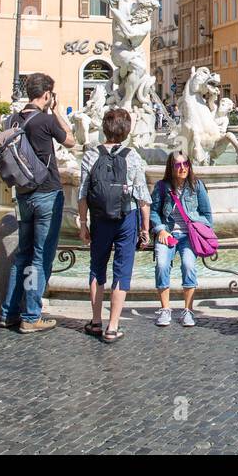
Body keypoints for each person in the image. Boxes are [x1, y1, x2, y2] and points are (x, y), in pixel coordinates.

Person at [0, 72, 77, 333]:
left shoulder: (12, 119)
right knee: (40, 257)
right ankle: (31, 315)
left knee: (23, 253)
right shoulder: (44, 120)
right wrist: (56, 112)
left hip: (22, 194)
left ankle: (8, 312)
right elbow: (71, 141)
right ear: (47, 94)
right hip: (46, 194)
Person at [77, 108, 151, 343]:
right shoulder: (133, 157)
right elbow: (143, 197)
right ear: (127, 131)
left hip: (99, 219)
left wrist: (82, 223)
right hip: (126, 218)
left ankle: (96, 321)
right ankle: (113, 326)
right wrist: (145, 229)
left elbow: (82, 194)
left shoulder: (90, 155)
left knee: (96, 268)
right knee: (122, 270)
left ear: (103, 129)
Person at [149, 150, 211, 327]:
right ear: (171, 167)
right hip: (167, 234)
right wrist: (160, 230)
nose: (182, 168)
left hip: (189, 236)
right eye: (178, 164)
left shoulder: (196, 186)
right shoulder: (162, 187)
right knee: (161, 265)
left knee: (189, 265)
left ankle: (188, 311)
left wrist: (203, 232)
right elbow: (154, 212)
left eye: (185, 164)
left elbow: (207, 213)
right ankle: (165, 309)